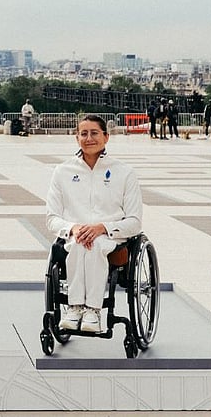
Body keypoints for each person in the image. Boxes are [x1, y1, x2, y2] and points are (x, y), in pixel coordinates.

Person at [46, 115, 143, 333]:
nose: (89, 138)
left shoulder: (124, 172)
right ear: (76, 138)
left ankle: (92, 309)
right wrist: (74, 228)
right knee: (81, 243)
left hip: (111, 237)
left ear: (106, 137)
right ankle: (76, 307)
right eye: (83, 133)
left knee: (95, 244)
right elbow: (52, 218)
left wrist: (102, 228)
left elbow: (134, 221)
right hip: (75, 236)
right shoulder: (62, 172)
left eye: (94, 133)